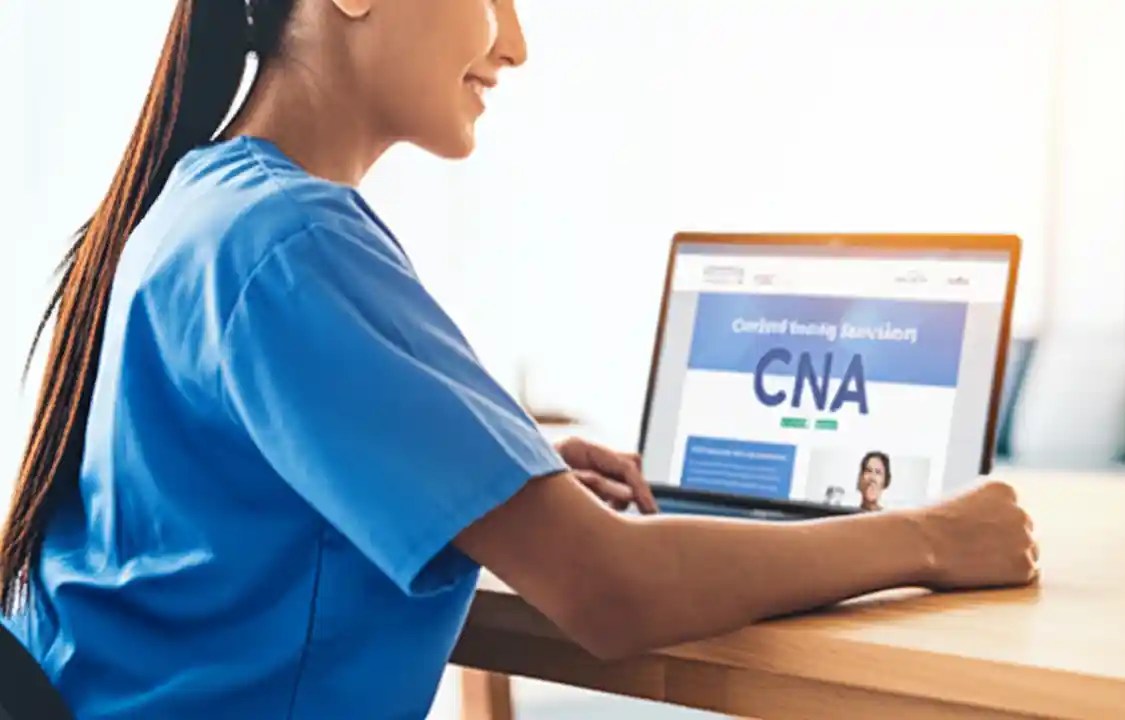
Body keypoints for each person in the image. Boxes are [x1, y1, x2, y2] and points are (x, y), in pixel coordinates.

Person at [0, 1, 1039, 718]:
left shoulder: (211, 201)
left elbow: (259, 488)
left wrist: (507, 469)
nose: (518, 43)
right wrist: (932, 539)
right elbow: (610, 594)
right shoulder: (291, 243)